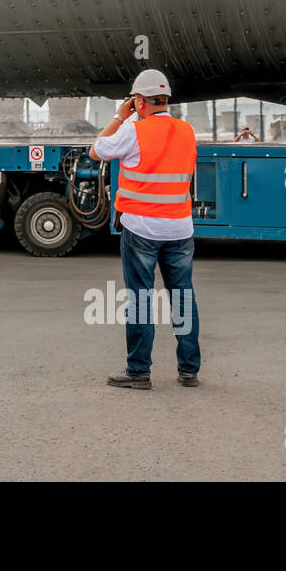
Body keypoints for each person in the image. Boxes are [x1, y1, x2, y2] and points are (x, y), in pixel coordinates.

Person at [89, 69, 201, 389]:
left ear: (139, 102)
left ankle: (139, 372)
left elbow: (96, 151)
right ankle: (189, 370)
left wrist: (119, 117)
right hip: (179, 228)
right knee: (182, 296)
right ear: (165, 100)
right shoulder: (187, 130)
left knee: (140, 299)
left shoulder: (133, 131)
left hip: (141, 228)